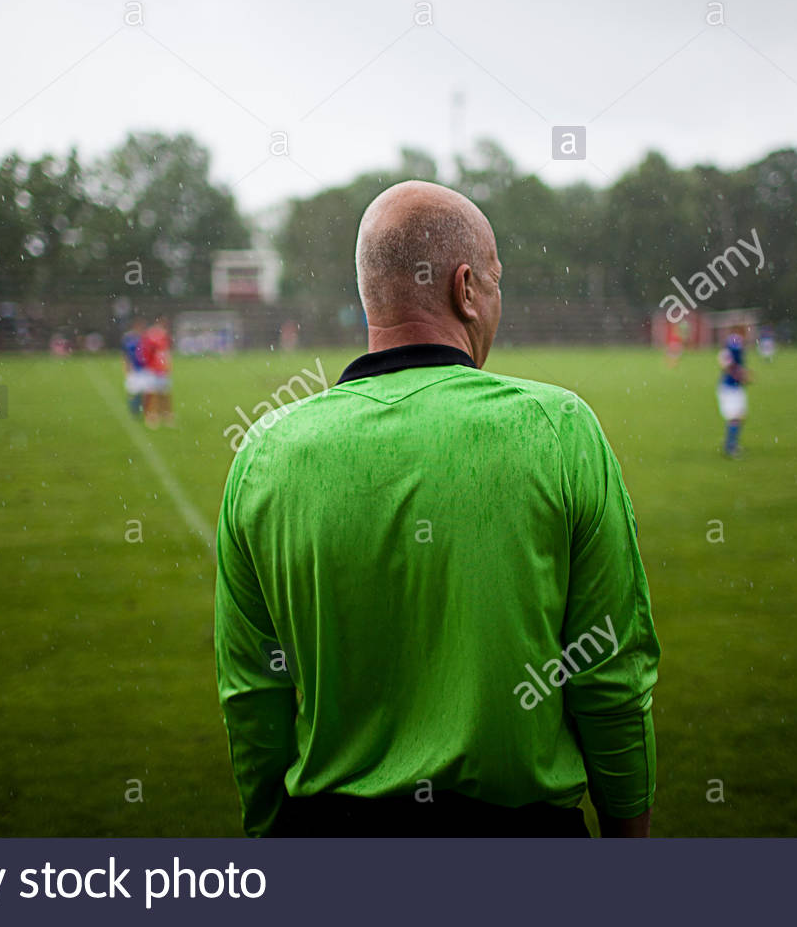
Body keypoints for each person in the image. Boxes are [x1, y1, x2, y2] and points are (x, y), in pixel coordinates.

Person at [214, 180, 660, 838]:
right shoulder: (562, 428)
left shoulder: (264, 454)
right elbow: (610, 677)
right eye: (496, 280)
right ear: (466, 288)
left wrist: (271, 838)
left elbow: (252, 695)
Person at [717, 329, 751, 458]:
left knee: (740, 416)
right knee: (735, 417)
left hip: (734, 388)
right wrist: (741, 375)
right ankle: (730, 447)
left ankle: (730, 442)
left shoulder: (733, 343)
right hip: (730, 388)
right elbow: (726, 364)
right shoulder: (735, 344)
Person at [139, 315, 173, 428]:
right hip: (153, 369)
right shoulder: (151, 335)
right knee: (152, 393)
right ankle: (151, 415)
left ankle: (165, 415)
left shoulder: (163, 336)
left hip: (161, 369)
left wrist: (168, 364)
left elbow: (165, 352)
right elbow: (147, 351)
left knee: (164, 393)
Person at [121, 318, 148, 418]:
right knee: (133, 390)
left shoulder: (145, 337)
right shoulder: (128, 338)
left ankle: (142, 410)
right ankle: (134, 410)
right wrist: (126, 366)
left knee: (144, 390)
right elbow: (125, 354)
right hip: (133, 368)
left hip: (143, 368)